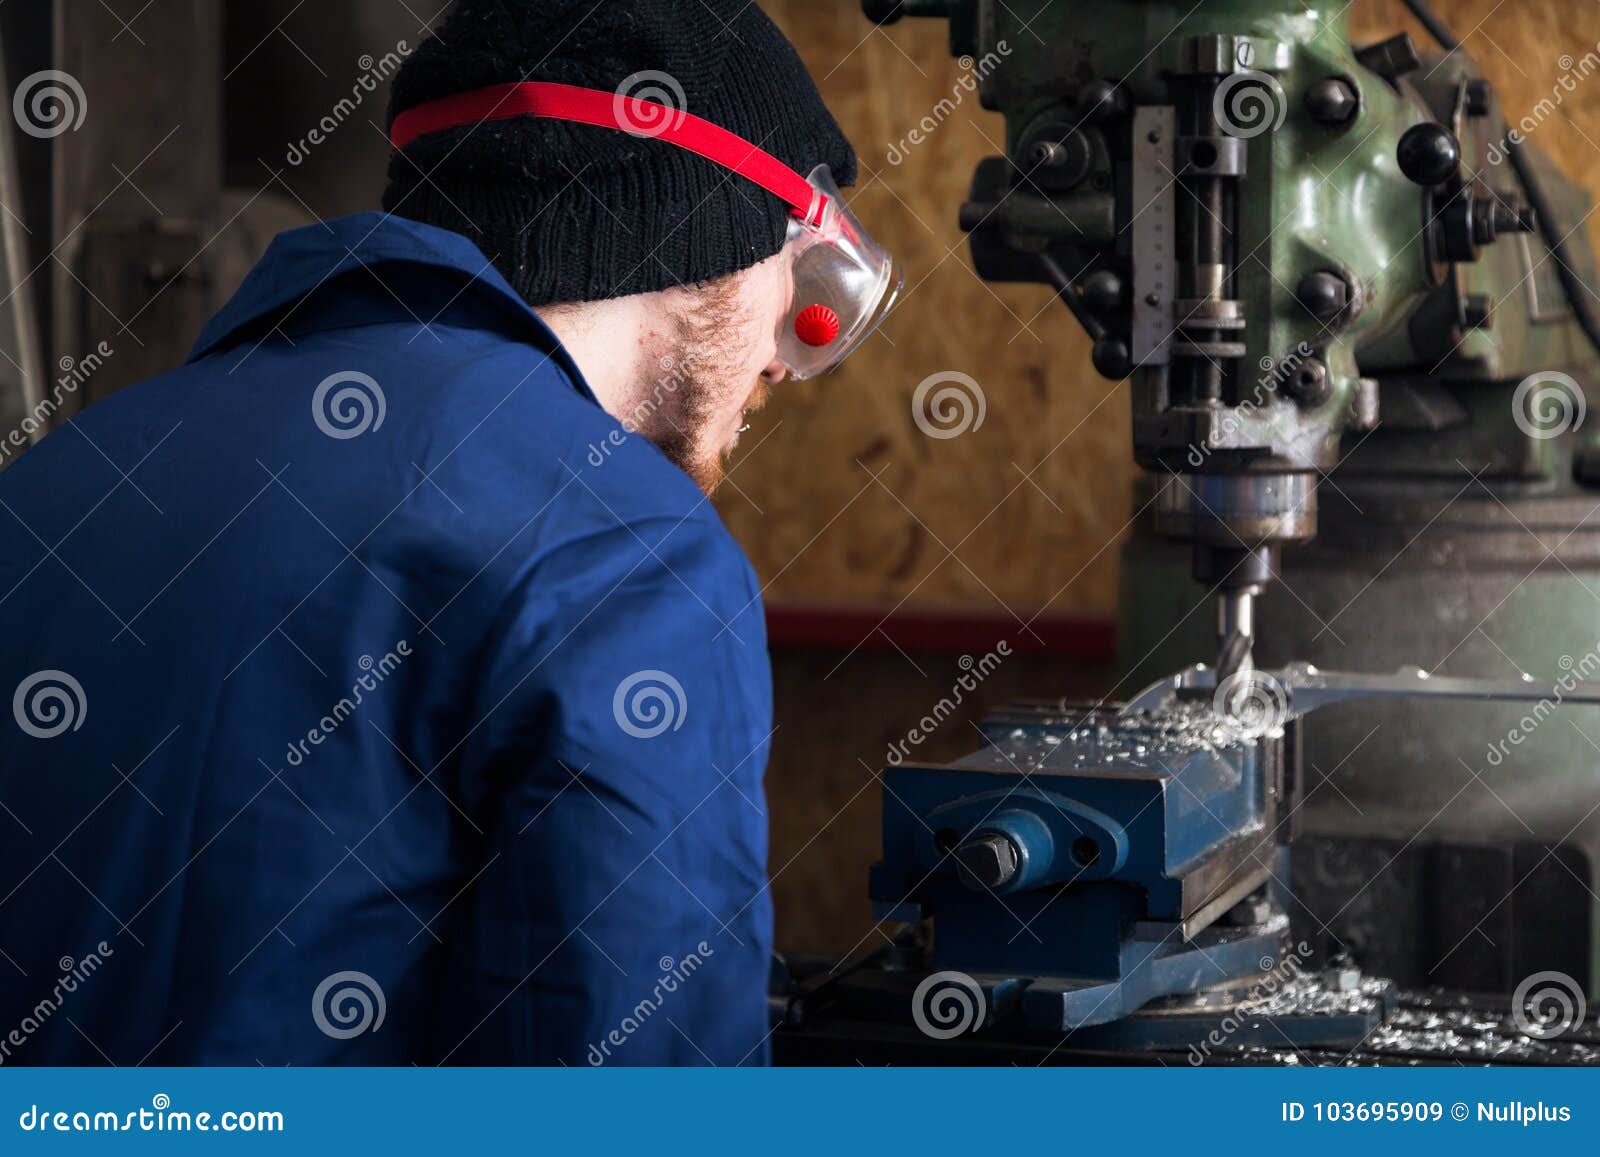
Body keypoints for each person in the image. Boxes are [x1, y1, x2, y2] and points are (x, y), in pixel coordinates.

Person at [0, 0, 895, 1065]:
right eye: (798, 270)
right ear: (709, 227)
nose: (784, 364)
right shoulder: (623, 551)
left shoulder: (66, 477)